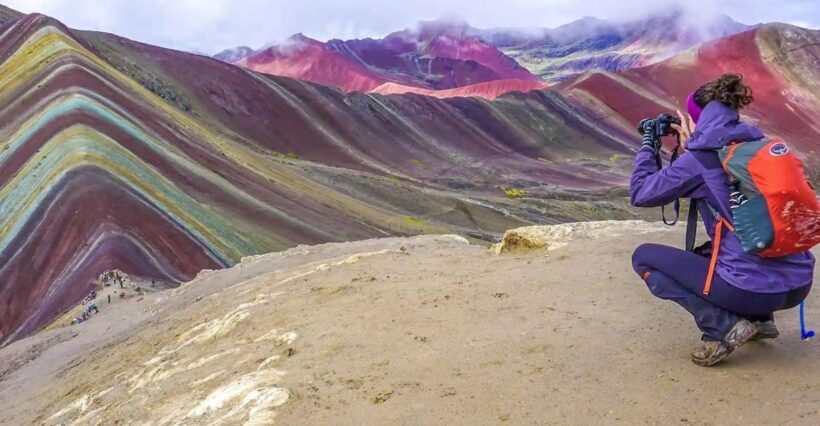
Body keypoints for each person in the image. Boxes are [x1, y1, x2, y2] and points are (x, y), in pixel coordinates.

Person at [630, 73, 815, 366]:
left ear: (696, 119)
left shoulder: (701, 159)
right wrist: (694, 146)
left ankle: (723, 326)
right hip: (798, 285)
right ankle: (762, 322)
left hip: (752, 291)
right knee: (713, 249)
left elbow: (641, 193)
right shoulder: (755, 148)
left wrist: (648, 145)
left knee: (644, 257)